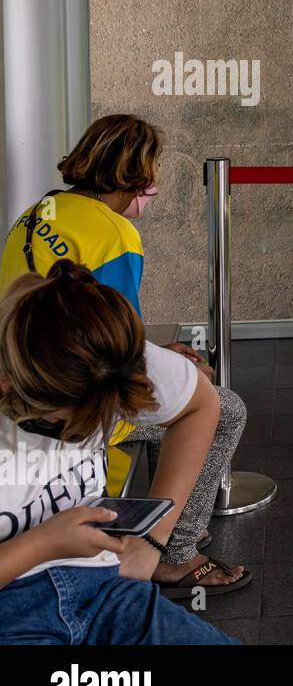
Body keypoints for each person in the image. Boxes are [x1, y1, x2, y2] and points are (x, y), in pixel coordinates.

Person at [0, 114, 250, 597]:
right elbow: (112, 342)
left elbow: (81, 326)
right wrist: (161, 362)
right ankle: (173, 552)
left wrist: (156, 352)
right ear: (133, 174)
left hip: (28, 358)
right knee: (223, 409)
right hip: (71, 387)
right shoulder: (115, 233)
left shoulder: (39, 211)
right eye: (151, 170)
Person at [0, 262, 236, 643]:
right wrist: (42, 543)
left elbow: (200, 405)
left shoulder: (97, 352)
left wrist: (154, 541)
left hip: (105, 589)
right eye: (61, 426)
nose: (86, 435)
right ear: (9, 383)